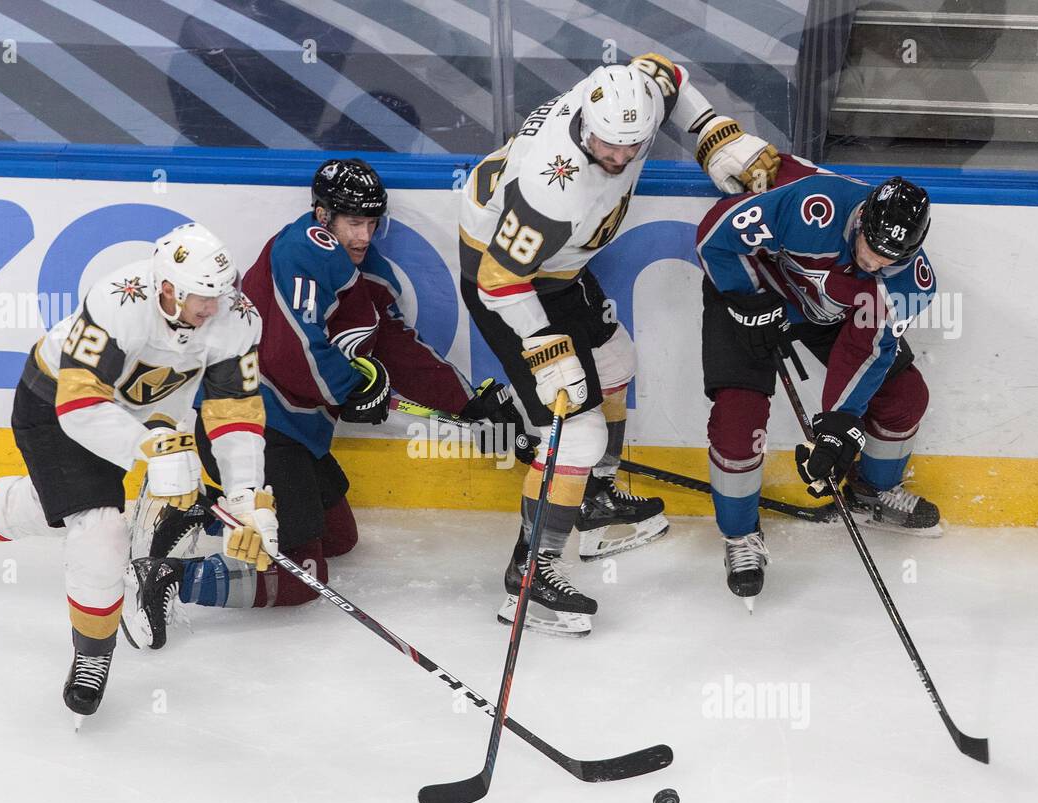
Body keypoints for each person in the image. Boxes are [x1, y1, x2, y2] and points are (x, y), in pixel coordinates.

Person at [0, 224, 273, 720]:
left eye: (220, 294)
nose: (212, 308)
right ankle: (92, 657)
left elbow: (235, 413)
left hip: (143, 416)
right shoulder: (119, 300)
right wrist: (147, 446)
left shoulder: (236, 318)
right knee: (101, 529)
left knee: (53, 507)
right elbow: (80, 404)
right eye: (200, 297)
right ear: (166, 288)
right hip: (56, 403)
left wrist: (244, 498)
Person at [124, 159, 525, 649]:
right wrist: (354, 389)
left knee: (339, 538)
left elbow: (397, 343)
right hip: (251, 429)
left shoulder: (365, 272)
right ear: (322, 216)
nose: (363, 235)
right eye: (353, 222)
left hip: (296, 432)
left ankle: (198, 511)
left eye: (371, 223)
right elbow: (289, 350)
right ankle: (168, 577)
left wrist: (466, 403)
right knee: (302, 577)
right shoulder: (301, 250)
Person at [459, 53, 783, 635]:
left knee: (616, 363)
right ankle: (529, 579)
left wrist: (715, 135)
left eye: (628, 149)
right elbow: (497, 281)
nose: (616, 159)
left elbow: (670, 73)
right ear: (584, 121)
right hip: (507, 283)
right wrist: (544, 346)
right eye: (605, 147)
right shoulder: (552, 187)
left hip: (557, 270)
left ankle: (592, 501)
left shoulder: (633, 100)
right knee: (575, 432)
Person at [695, 156, 941, 608]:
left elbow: (862, 352)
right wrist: (747, 299)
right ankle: (740, 536)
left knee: (905, 395)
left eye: (890, 255)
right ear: (863, 215)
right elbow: (716, 235)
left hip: (827, 311)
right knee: (738, 421)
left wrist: (836, 426)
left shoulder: (909, 286)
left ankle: (871, 490)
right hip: (755, 291)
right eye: (870, 243)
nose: (873, 258)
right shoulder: (814, 206)